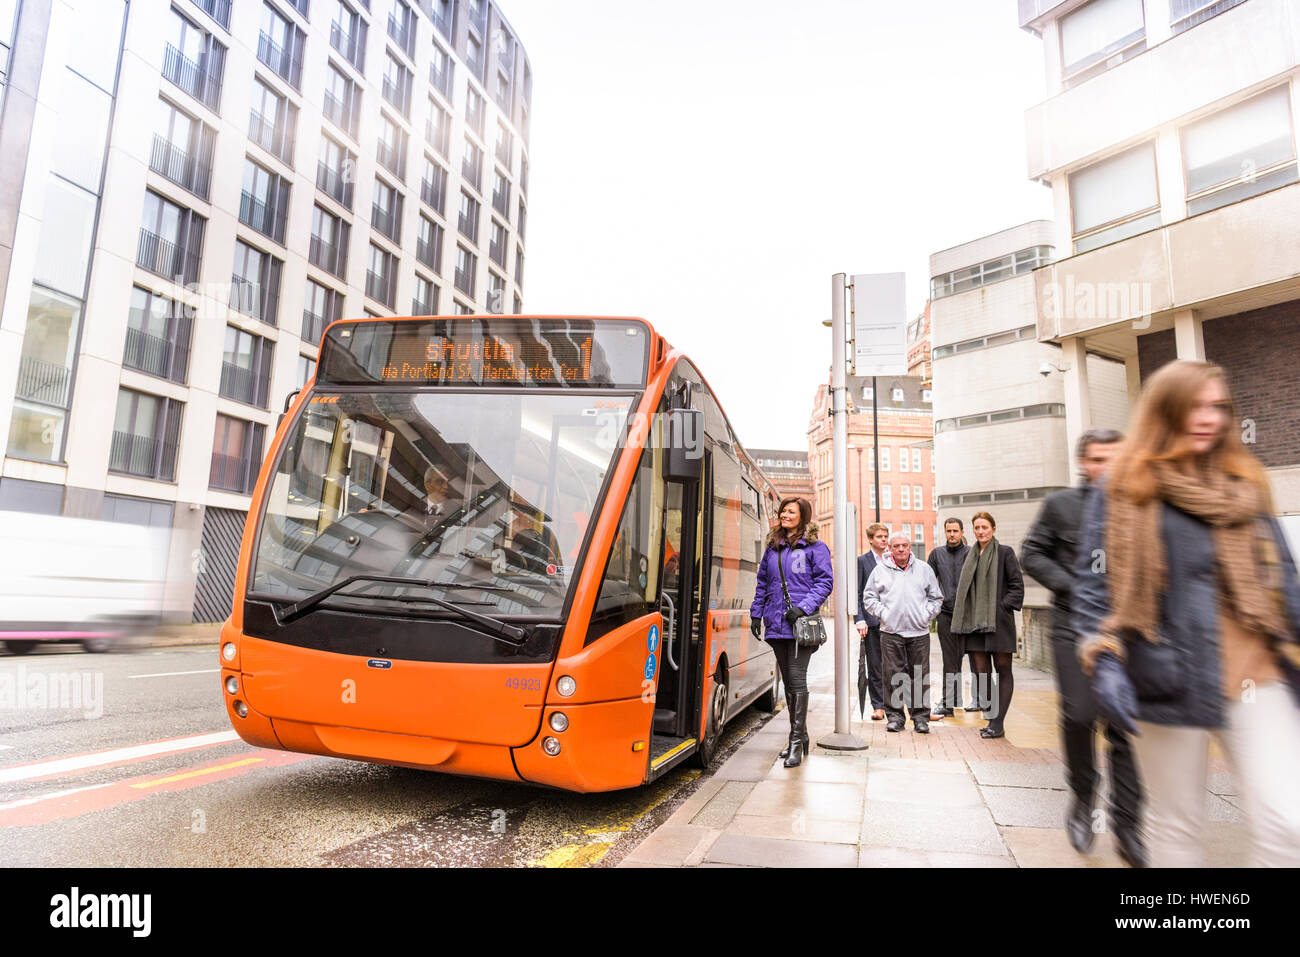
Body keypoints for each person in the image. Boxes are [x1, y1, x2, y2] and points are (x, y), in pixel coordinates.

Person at [1075, 360, 1300, 867]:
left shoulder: (1245, 481)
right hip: (1167, 674)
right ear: (1165, 410)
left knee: (1290, 822)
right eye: (1194, 406)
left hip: (1255, 676)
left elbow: (1284, 578)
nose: (1209, 418)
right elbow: (1094, 585)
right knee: (1176, 829)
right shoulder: (1122, 486)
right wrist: (1104, 659)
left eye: (1219, 407)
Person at [1021, 428, 1145, 866]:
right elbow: (1031, 553)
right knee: (1079, 714)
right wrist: (1075, 587)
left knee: (1125, 724)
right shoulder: (1061, 507)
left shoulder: (1138, 506)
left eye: (1114, 457)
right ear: (1083, 463)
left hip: (1128, 630)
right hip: (1073, 625)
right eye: (1097, 459)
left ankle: (1129, 825)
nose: (1105, 466)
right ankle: (1083, 793)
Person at [750, 496, 834, 768]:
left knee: (797, 680)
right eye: (783, 511)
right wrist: (755, 613)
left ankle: (795, 742)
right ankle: (803, 737)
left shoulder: (815, 548)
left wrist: (804, 607)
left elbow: (824, 582)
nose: (784, 515)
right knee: (787, 682)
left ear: (802, 516)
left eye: (790, 511)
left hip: (799, 625)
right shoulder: (772, 548)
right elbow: (762, 582)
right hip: (775, 623)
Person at [951, 511, 1024, 738]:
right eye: (977, 528)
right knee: (981, 673)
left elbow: (1017, 586)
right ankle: (992, 717)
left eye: (985, 527)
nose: (981, 531)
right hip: (974, 624)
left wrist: (1002, 607)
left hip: (999, 624)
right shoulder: (969, 556)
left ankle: (998, 722)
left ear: (993, 528)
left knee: (1003, 670)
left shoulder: (1005, 553)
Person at [863, 531, 944, 732]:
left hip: (919, 632)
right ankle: (895, 717)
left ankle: (920, 718)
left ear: (910, 548)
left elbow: (936, 598)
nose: (901, 549)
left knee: (920, 675)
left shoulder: (924, 569)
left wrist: (926, 615)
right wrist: (884, 614)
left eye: (904, 545)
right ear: (890, 548)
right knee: (892, 675)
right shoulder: (880, 571)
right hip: (890, 632)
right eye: (896, 546)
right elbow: (869, 598)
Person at [927, 518, 971, 718]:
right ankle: (949, 703)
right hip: (946, 616)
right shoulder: (937, 554)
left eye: (955, 530)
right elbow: (927, 582)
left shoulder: (971, 553)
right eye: (948, 531)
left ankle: (982, 700)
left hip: (970, 616)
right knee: (950, 662)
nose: (952, 534)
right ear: (945, 532)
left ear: (962, 532)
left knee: (979, 660)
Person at [854, 523, 891, 720]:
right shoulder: (862, 561)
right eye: (879, 537)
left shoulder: (893, 560)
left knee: (894, 665)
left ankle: (894, 703)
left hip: (893, 623)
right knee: (875, 665)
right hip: (871, 623)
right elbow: (857, 593)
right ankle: (878, 706)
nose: (884, 540)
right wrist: (859, 619)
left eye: (886, 536)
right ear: (870, 539)